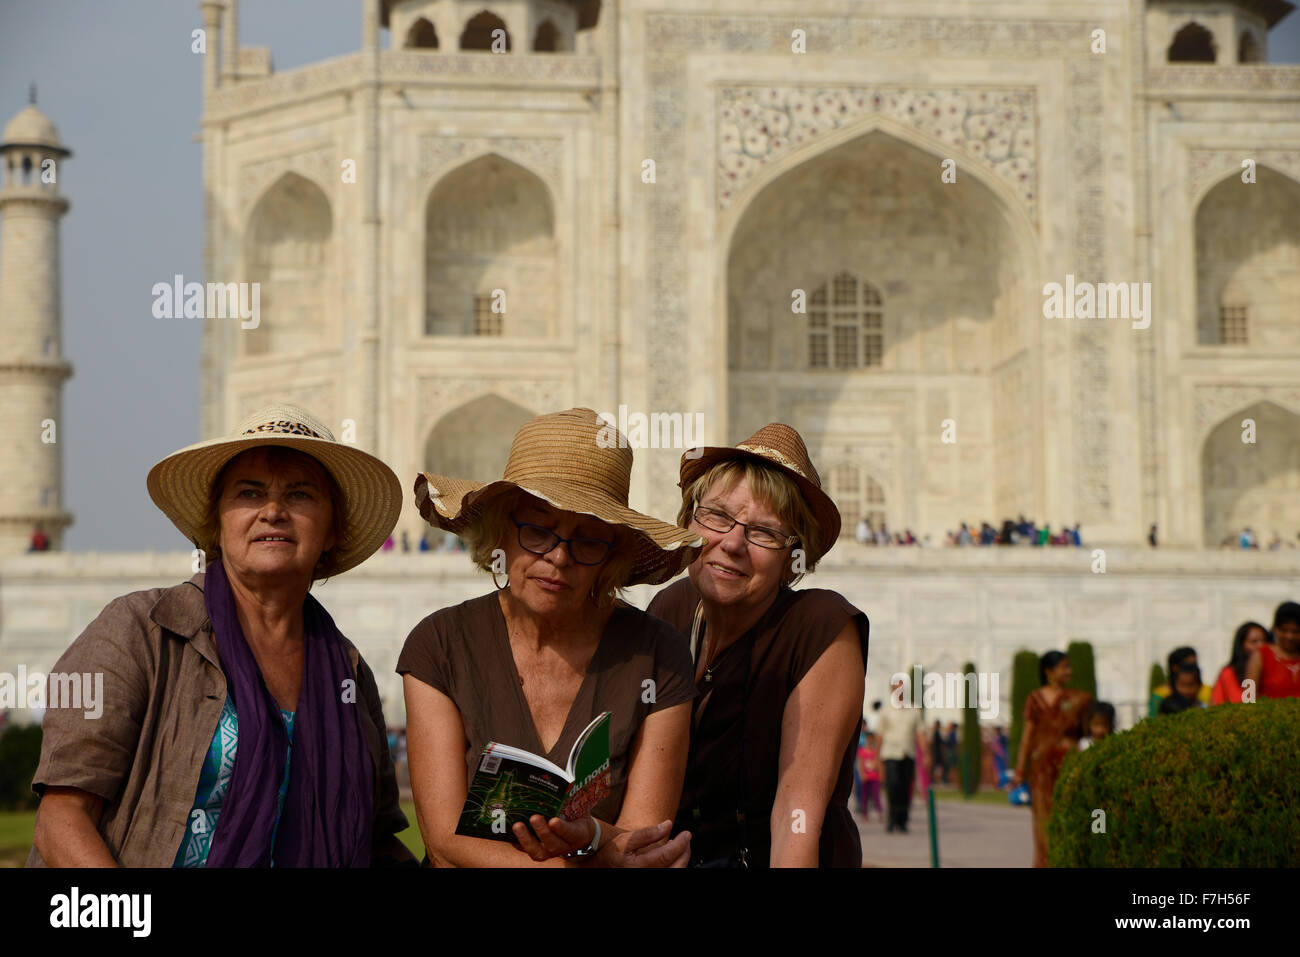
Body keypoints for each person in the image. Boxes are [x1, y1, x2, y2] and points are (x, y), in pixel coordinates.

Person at [28, 405, 412, 867]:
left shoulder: (346, 672)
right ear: (217, 524)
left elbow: (374, 840)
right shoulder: (141, 632)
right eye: (250, 493)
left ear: (332, 529)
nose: (273, 511)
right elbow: (62, 821)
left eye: (300, 495)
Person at [398, 408, 703, 868]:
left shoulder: (656, 654)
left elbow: (645, 839)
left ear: (611, 556)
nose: (559, 557)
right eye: (538, 530)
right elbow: (444, 845)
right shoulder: (441, 644)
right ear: (502, 531)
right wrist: (595, 857)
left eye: (587, 540)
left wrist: (594, 834)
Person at [646, 422, 869, 867]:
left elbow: (797, 811)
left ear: (793, 558)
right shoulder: (671, 609)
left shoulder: (819, 627)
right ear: (690, 522)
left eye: (764, 532)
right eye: (717, 516)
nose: (732, 543)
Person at [1011, 650, 1092, 868]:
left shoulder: (1079, 700)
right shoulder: (1035, 699)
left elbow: (1090, 732)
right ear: (1049, 671)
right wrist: (1020, 770)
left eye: (1069, 666)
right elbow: (1027, 737)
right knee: (1043, 820)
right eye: (1064, 667)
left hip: (1070, 764)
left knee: (1071, 814)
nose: (1069, 671)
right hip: (1041, 769)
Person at [877, 677, 921, 831]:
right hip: (890, 754)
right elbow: (879, 736)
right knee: (892, 785)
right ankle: (892, 818)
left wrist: (927, 754)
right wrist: (877, 758)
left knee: (905, 787)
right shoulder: (886, 711)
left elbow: (920, 733)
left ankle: (902, 821)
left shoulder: (914, 710)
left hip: (908, 753)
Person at [1244, 601, 1300, 699]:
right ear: (1275, 629)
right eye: (1284, 630)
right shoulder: (1260, 655)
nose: (1289, 636)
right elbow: (1249, 696)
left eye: (1295, 631)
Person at [1211, 621, 1268, 705]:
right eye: (1254, 642)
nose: (1261, 646)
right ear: (1241, 645)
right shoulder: (1228, 673)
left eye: (1264, 641)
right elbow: (1216, 704)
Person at [1149, 647, 1211, 715]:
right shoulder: (1160, 695)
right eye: (1187, 667)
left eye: (1194, 666)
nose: (1192, 671)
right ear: (1175, 668)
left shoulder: (1208, 691)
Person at [858, 733, 883, 820]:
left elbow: (879, 763)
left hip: (874, 777)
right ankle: (865, 813)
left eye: (871, 739)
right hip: (866, 777)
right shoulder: (862, 751)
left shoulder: (875, 752)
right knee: (865, 796)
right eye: (868, 739)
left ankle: (880, 812)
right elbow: (860, 764)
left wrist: (881, 775)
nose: (869, 741)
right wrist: (862, 774)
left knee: (876, 795)